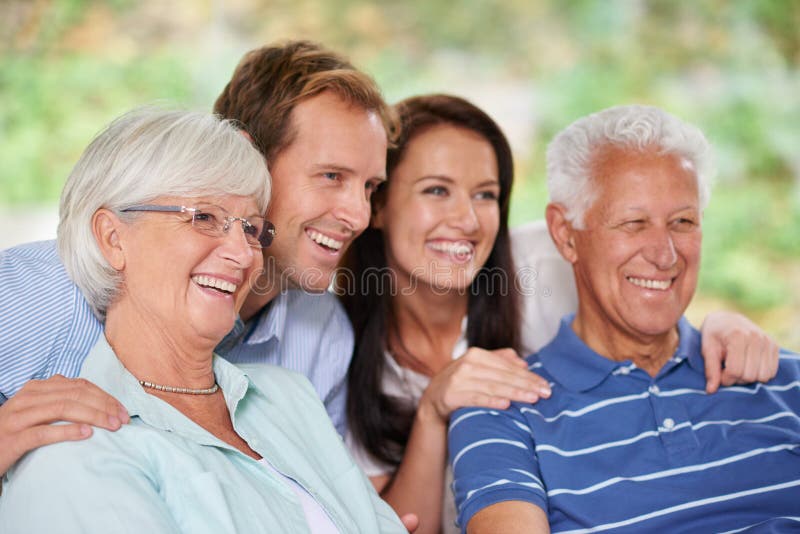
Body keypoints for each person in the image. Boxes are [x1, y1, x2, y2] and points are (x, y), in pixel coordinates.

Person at [339, 95, 782, 534]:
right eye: (436, 190)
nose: (468, 220)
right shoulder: (341, 343)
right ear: (376, 204)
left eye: (486, 194)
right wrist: (433, 412)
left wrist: (725, 325)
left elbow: (649, 284)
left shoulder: (539, 264)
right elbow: (396, 527)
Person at [0, 107, 405, 533]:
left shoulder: (291, 393)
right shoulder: (74, 442)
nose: (243, 253)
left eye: (251, 229)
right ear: (112, 238)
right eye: (205, 218)